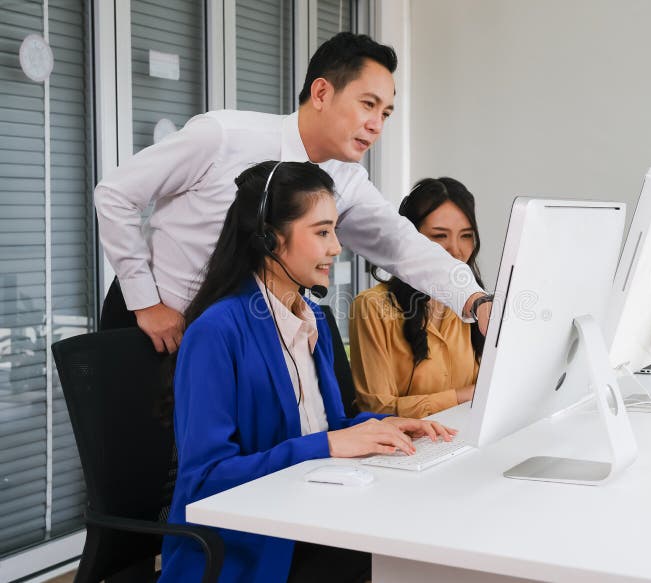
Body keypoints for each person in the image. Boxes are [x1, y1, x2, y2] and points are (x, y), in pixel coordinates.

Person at [94, 32, 492, 353]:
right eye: (367, 104)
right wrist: (145, 302)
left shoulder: (346, 181)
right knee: (142, 453)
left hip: (233, 338)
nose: (376, 125)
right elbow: (115, 194)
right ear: (321, 93)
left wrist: (475, 300)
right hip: (152, 324)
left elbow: (403, 245)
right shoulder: (224, 136)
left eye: (385, 113)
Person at [159, 161, 455, 583]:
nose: (336, 247)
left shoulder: (310, 317)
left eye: (334, 230)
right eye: (321, 232)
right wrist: (331, 444)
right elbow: (207, 478)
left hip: (312, 519)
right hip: (252, 549)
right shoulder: (216, 332)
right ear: (269, 238)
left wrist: (384, 425)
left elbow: (324, 427)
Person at [349, 178, 485, 418]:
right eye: (439, 236)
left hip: (465, 441)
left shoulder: (480, 309)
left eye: (466, 236)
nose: (455, 250)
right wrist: (461, 396)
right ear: (410, 242)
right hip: (406, 448)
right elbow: (376, 408)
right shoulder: (372, 307)